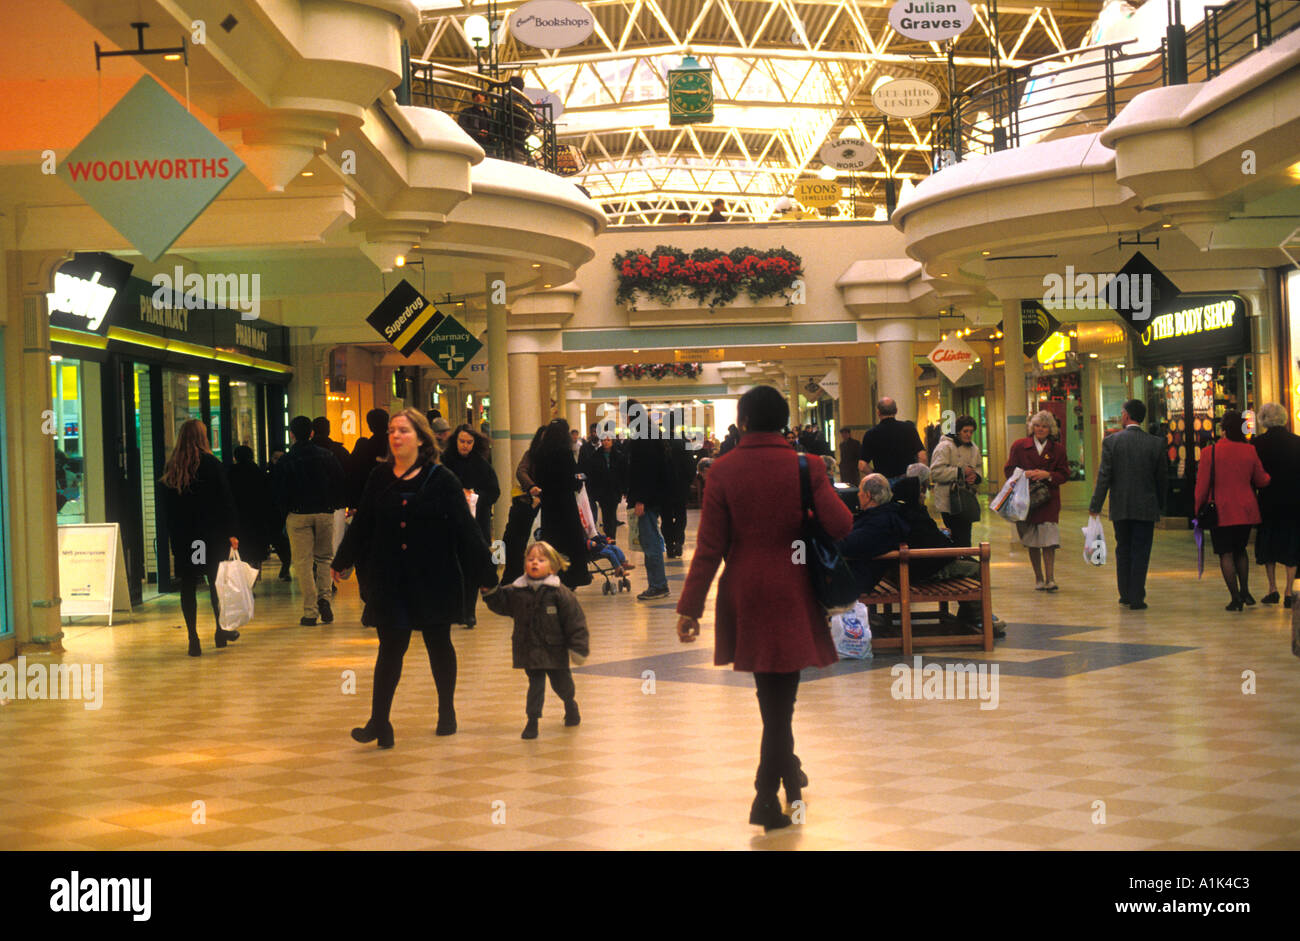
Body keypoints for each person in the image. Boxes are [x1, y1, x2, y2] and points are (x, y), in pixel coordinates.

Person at [675, 385, 853, 832]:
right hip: (793, 585)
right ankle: (765, 795)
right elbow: (841, 525)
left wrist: (690, 607)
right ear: (785, 421)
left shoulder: (722, 470)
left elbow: (710, 546)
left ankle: (783, 790)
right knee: (782, 703)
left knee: (772, 702)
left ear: (745, 421)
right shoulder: (806, 466)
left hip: (745, 588)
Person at [332, 409, 497, 748]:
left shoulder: (442, 479)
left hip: (434, 576)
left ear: (421, 438)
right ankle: (380, 722)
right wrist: (343, 559)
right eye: (392, 430)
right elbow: (364, 523)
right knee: (390, 648)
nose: (395, 436)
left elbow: (465, 529)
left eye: (404, 431)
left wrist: (485, 572)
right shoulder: (379, 476)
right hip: (390, 577)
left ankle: (447, 710)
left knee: (438, 644)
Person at [482, 541, 589, 739]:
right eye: (530, 559)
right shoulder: (516, 591)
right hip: (529, 648)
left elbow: (575, 621)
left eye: (541, 560)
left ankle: (570, 704)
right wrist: (489, 593)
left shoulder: (560, 593)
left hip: (555, 649)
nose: (534, 563)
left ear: (553, 565)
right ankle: (532, 721)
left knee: (562, 683)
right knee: (536, 685)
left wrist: (578, 647)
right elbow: (502, 603)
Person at [159, 419, 240, 657]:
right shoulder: (211, 464)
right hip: (210, 534)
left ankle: (193, 638)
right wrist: (232, 531)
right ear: (203, 437)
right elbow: (226, 501)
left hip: (186, 537)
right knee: (216, 582)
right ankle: (220, 630)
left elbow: (167, 507)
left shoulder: (172, 466)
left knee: (188, 584)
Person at [1088, 399, 1168, 610]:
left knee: (1123, 548)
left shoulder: (1112, 442)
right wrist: (1160, 503)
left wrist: (1096, 504)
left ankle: (1124, 592)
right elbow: (1162, 478)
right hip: (1146, 506)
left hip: (1121, 506)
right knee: (1141, 550)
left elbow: (1104, 476)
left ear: (1126, 415)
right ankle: (1137, 596)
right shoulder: (1155, 443)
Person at [274, 415, 346, 626]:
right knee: (324, 558)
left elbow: (278, 491)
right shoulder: (327, 456)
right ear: (312, 432)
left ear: (292, 434)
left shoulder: (286, 460)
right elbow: (340, 481)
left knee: (303, 563)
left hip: (298, 515)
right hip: (324, 512)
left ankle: (310, 610)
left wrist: (284, 511)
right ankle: (325, 598)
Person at [1195, 410, 1270, 611]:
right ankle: (1245, 590)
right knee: (1240, 550)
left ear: (1223, 429)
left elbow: (1201, 486)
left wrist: (1197, 508)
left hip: (1220, 510)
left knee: (1224, 553)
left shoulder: (1209, 452)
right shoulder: (1249, 451)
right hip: (1245, 510)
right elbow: (1262, 480)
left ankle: (1235, 597)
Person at [440, 423, 501, 628]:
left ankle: (469, 612)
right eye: (462, 441)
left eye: (469, 442)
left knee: (471, 568)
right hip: (449, 523)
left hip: (476, 524)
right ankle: (454, 608)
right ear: (455, 440)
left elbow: (494, 491)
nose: (465, 446)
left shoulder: (481, 465)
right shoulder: (444, 462)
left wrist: (476, 497)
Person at [1005, 410, 1070, 591]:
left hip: (1049, 500)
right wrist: (1024, 474)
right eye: (1037, 425)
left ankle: (1051, 578)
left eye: (1044, 426)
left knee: (1049, 541)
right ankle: (1038, 578)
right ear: (1031, 427)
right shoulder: (1019, 446)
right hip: (1027, 500)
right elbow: (1009, 470)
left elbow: (1065, 474)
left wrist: (1048, 475)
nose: (1040, 429)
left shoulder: (1058, 450)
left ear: (1051, 429)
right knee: (1032, 541)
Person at [531, 419, 592, 590]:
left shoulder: (541, 453)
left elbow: (539, 478)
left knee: (552, 541)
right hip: (566, 504)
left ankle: (551, 575)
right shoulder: (564, 453)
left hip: (549, 505)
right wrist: (578, 483)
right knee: (571, 541)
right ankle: (573, 577)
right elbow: (572, 478)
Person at [1251, 403, 1300, 606]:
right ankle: (1289, 590)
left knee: (1268, 542)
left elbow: (1254, 475)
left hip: (1268, 498)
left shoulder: (1257, 443)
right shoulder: (1297, 442)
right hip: (1293, 499)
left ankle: (1272, 588)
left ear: (1263, 419)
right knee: (1292, 543)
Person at [625, 400, 672, 601]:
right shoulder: (649, 433)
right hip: (655, 496)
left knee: (650, 540)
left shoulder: (643, 437)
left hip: (648, 498)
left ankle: (658, 585)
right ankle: (657, 584)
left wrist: (640, 499)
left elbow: (645, 471)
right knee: (650, 539)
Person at [501, 425, 548, 584]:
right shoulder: (531, 455)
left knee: (527, 542)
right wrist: (531, 488)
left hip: (539, 506)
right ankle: (510, 577)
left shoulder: (553, 458)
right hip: (524, 503)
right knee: (512, 540)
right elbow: (521, 471)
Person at [929, 415, 983, 548]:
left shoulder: (974, 448)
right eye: (965, 431)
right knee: (957, 536)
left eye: (971, 431)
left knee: (966, 535)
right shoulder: (944, 447)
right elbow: (935, 472)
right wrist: (959, 472)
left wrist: (975, 477)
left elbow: (979, 467)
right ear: (958, 431)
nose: (969, 435)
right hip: (949, 500)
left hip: (967, 499)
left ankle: (965, 560)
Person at [227, 445, 273, 576]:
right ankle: (253, 578)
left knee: (242, 551)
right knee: (255, 552)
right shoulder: (258, 472)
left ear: (235, 457)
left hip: (238, 518)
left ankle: (242, 580)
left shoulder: (231, 472)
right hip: (257, 518)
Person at [858, 398, 927, 481]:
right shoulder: (909, 429)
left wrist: (877, 476)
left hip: (885, 483)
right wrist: (920, 479)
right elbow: (922, 456)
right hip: (908, 481)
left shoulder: (871, 434)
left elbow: (862, 465)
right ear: (896, 410)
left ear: (878, 412)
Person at [662, 412, 696, 559]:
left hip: (664, 487)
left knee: (666, 517)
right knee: (681, 514)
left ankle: (669, 545)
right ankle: (679, 541)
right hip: (681, 486)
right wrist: (688, 482)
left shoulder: (659, 442)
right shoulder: (684, 442)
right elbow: (691, 466)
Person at [583, 432, 627, 539]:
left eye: (608, 440)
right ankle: (609, 535)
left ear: (612, 441)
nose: (606, 442)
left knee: (612, 513)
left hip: (614, 490)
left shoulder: (619, 456)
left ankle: (612, 536)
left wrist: (624, 489)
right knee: (606, 514)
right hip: (602, 490)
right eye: (604, 440)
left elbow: (624, 473)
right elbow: (592, 474)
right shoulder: (595, 456)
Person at [346, 408, 390, 510]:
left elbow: (353, 475)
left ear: (370, 426)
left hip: (370, 501)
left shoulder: (363, 447)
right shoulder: (399, 445)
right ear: (387, 423)